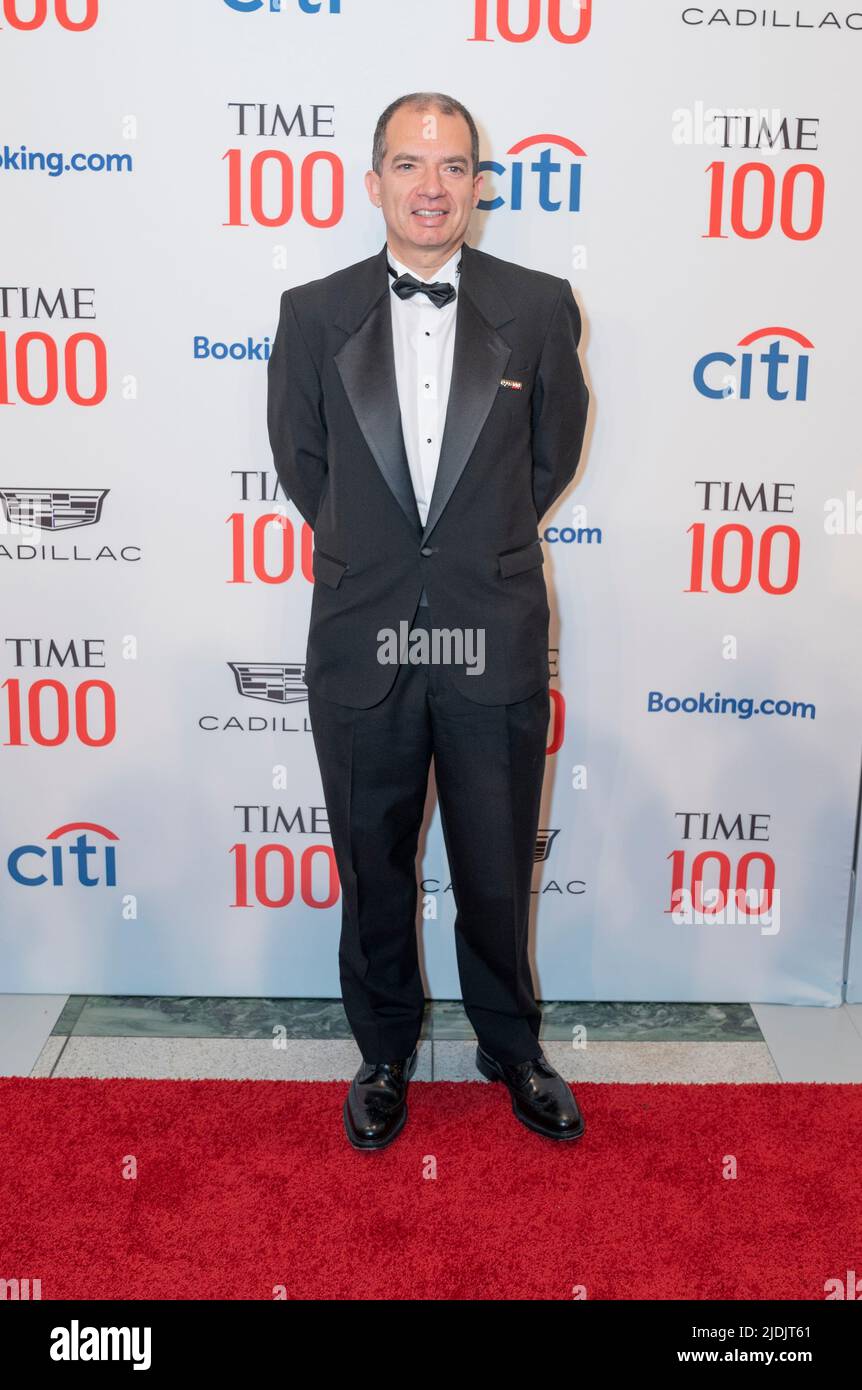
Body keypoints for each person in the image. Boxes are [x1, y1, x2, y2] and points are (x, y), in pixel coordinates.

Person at [266, 91, 589, 1150]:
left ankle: (512, 1043)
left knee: (496, 856)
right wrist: (390, 558)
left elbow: (547, 458)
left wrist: (470, 552)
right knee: (374, 857)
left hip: (488, 622)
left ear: (477, 185)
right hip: (362, 632)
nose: (432, 186)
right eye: (409, 164)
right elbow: (306, 470)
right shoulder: (312, 313)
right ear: (373, 184)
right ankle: (384, 1049)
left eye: (453, 165)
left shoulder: (540, 307)